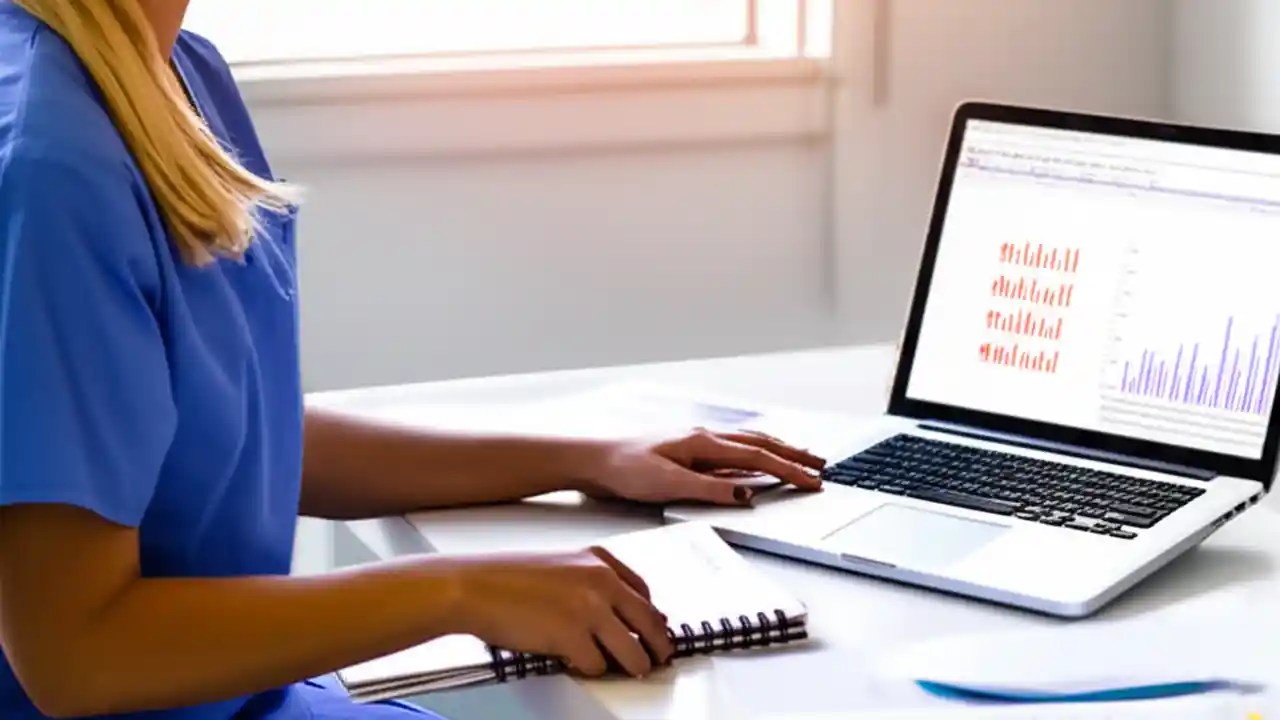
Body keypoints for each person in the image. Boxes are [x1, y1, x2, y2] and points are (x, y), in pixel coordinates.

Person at [0, 1, 828, 718]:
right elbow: (73, 653)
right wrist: (458, 591)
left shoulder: (173, 72)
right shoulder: (56, 168)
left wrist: (586, 459)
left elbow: (232, 439)